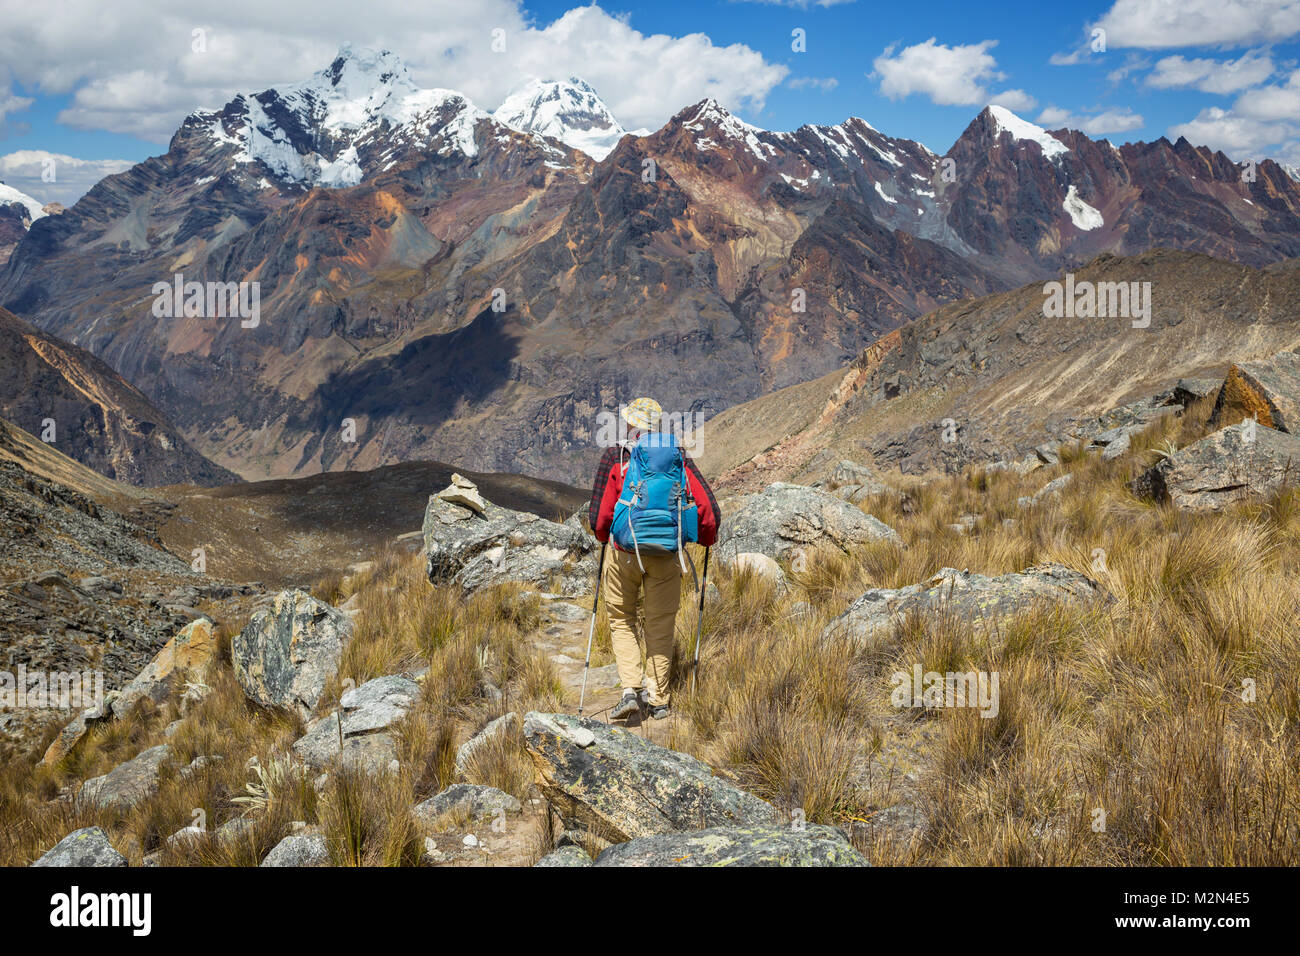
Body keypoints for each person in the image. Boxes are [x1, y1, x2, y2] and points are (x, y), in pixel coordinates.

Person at [587, 398, 720, 720]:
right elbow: (707, 508)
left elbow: (601, 513)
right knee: (660, 623)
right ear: (657, 424)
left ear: (629, 422)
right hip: (666, 554)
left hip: (624, 554)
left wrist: (603, 536)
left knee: (621, 619)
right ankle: (659, 699)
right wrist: (706, 540)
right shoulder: (677, 456)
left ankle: (630, 690)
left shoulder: (615, 455)